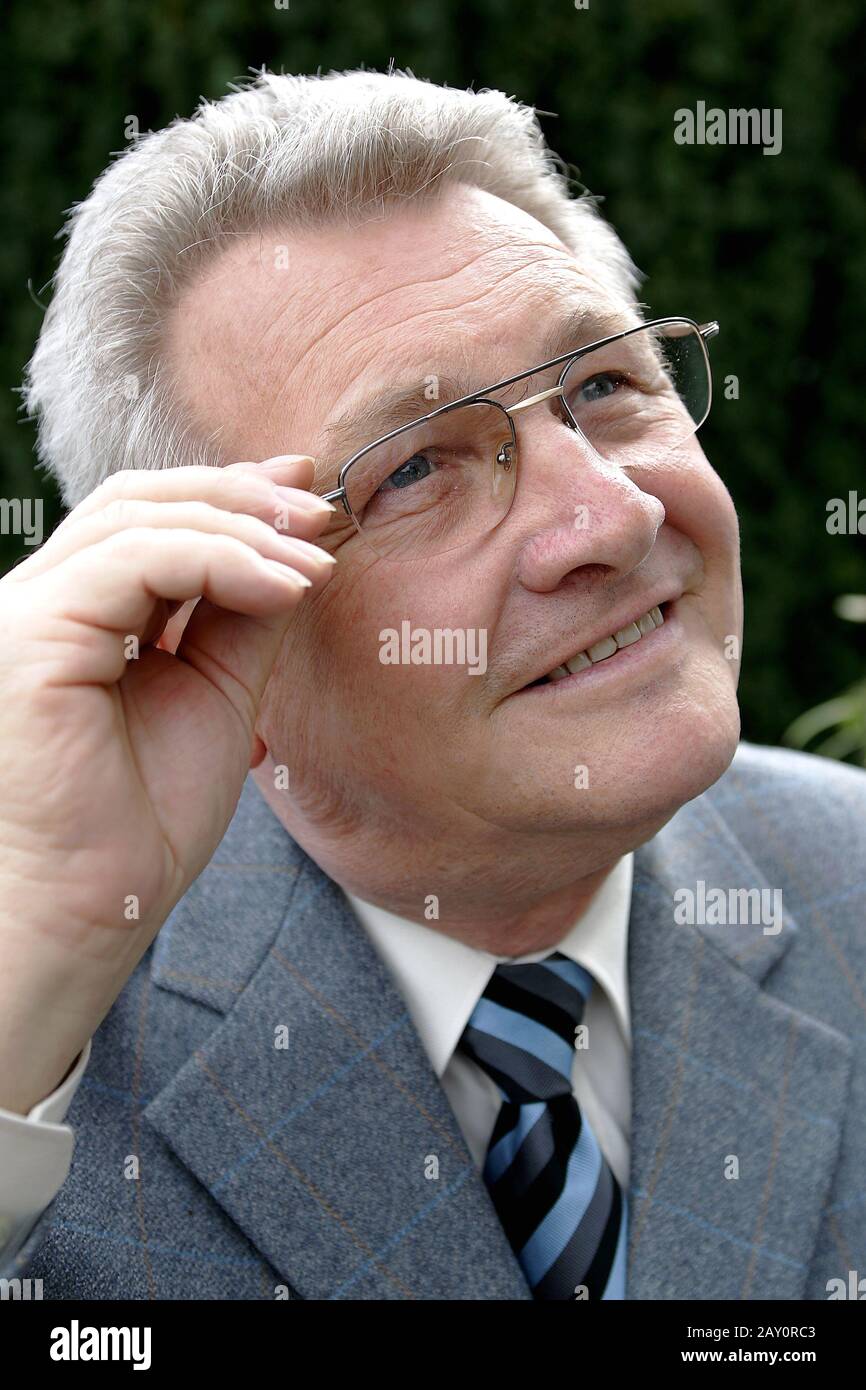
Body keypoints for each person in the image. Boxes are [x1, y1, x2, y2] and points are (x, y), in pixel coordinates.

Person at [0, 68, 863, 1302]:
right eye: (413, 470)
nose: (607, 518)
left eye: (606, 386)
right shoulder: (42, 1043)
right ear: (198, 618)